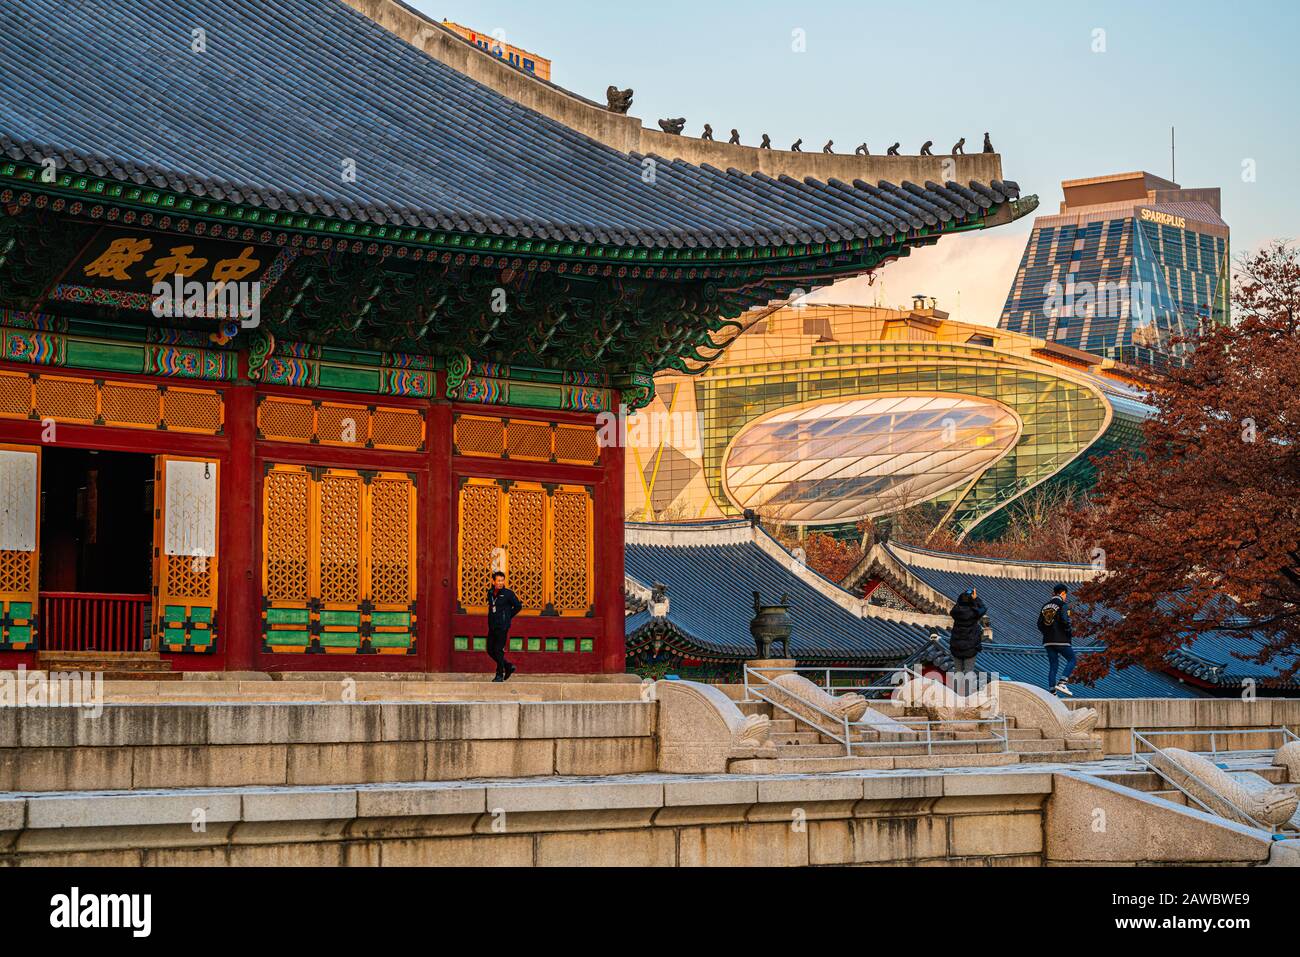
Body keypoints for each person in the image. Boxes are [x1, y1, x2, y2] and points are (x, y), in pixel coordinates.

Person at [948, 587, 987, 693]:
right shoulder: (974, 613)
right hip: (970, 647)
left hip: (956, 646)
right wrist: (976, 598)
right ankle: (967, 696)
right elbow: (983, 608)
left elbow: (958, 605)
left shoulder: (955, 613)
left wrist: (964, 598)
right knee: (969, 672)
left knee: (958, 671)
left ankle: (955, 694)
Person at [1038, 584, 1074, 696]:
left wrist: (1047, 633)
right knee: (1072, 659)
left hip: (1048, 640)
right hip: (1061, 639)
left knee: (1053, 665)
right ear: (1063, 593)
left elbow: (1039, 624)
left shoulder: (1044, 606)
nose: (1066, 597)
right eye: (1065, 595)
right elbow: (1065, 621)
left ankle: (1052, 692)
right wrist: (1068, 632)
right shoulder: (1063, 605)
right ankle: (1063, 682)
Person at [486, 570, 522, 682]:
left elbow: (518, 606)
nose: (500, 583)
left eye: (502, 580)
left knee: (498, 650)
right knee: (490, 650)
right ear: (493, 581)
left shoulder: (508, 594)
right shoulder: (490, 593)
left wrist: (507, 616)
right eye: (498, 580)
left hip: (502, 626)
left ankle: (499, 674)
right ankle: (507, 666)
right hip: (492, 626)